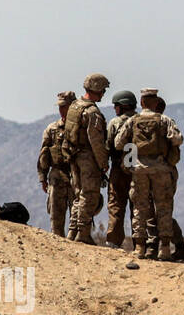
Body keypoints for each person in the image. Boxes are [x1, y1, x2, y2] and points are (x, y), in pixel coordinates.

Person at [113, 88, 183, 260]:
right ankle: (165, 248)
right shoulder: (164, 120)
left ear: (142, 102)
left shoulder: (132, 121)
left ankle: (140, 247)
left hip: (139, 169)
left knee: (139, 208)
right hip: (161, 169)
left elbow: (118, 144)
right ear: (156, 102)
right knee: (164, 208)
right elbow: (178, 139)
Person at [64, 73, 110, 244]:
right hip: (87, 159)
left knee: (78, 195)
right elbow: (96, 142)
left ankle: (72, 231)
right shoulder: (91, 112)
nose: (104, 94)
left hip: (73, 156)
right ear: (97, 89)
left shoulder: (74, 106)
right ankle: (82, 235)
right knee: (89, 195)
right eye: (103, 90)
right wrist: (103, 163)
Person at [37, 91, 78, 237]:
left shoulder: (81, 128)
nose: (62, 110)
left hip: (76, 176)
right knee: (56, 218)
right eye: (60, 107)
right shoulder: (52, 129)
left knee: (78, 218)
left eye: (65, 106)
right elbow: (44, 154)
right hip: (57, 175)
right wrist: (42, 177)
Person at [104, 89, 139, 249]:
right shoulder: (141, 121)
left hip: (119, 169)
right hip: (139, 171)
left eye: (116, 105)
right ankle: (140, 243)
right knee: (138, 206)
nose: (114, 108)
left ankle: (113, 242)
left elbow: (108, 146)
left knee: (116, 205)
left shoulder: (115, 123)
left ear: (123, 106)